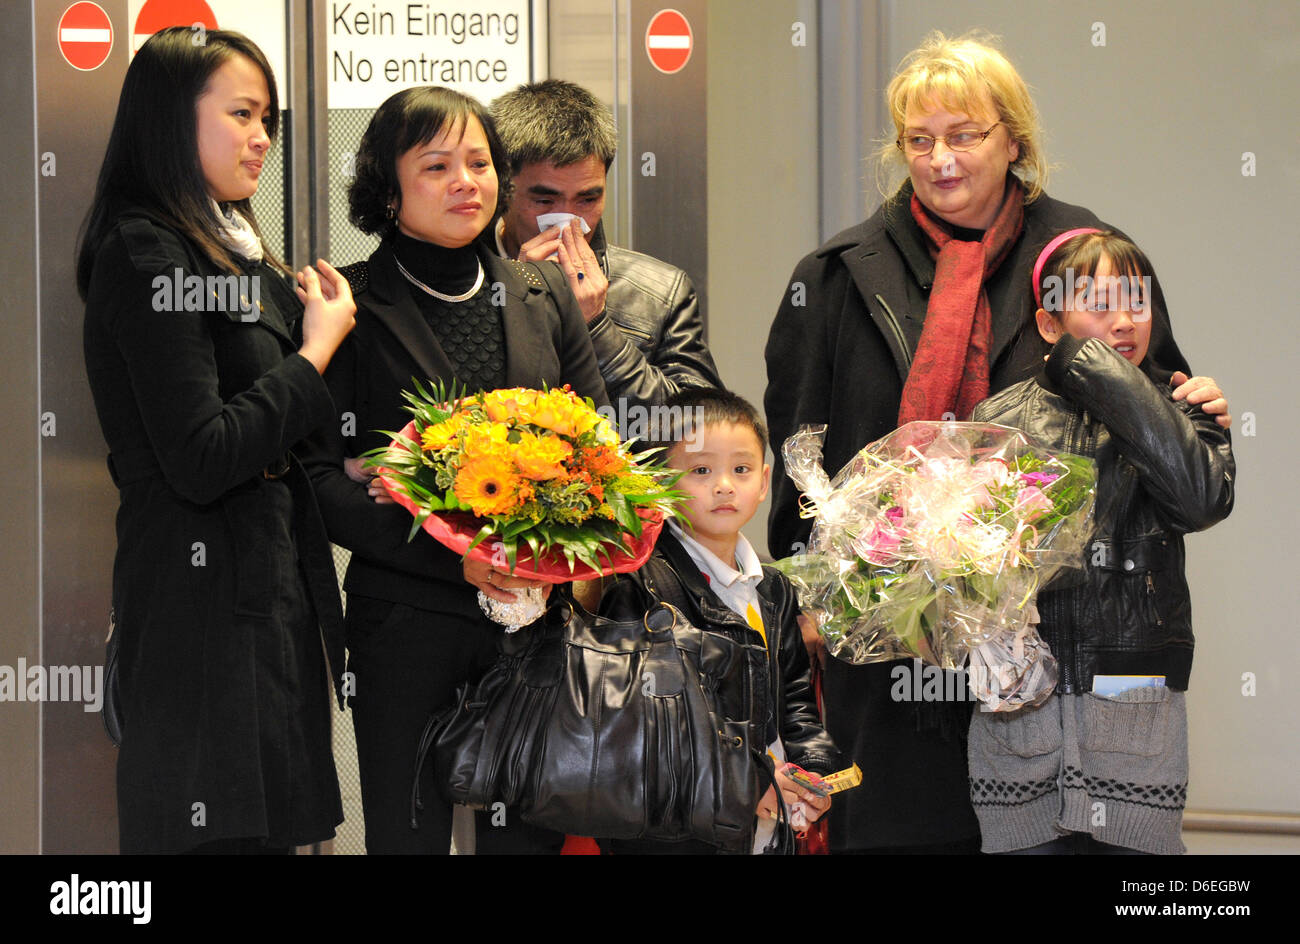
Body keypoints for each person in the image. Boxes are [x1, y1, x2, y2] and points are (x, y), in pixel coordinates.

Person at [764, 30, 1231, 854]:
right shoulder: (835, 274)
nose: (940, 159)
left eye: (964, 135)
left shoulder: (1086, 256)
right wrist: (808, 593)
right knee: (900, 828)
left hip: (1053, 634)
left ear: (1014, 139)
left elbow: (1157, 407)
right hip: (888, 623)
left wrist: (1197, 403)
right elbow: (797, 439)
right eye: (919, 139)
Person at [300, 86, 608, 854]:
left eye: (479, 162)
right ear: (386, 186)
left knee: (529, 839)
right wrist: (457, 556)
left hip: (534, 625)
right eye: (436, 165)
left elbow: (599, 455)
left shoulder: (542, 295)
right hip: (404, 623)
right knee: (406, 840)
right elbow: (315, 480)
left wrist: (549, 554)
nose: (466, 182)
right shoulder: (350, 305)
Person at [78, 27, 356, 854]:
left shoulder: (240, 251)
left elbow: (283, 427)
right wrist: (317, 347)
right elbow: (202, 455)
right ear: (171, 119)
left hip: (271, 591)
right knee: (212, 829)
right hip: (196, 601)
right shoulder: (145, 249)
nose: (262, 136)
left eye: (267, 117)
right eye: (242, 113)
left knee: (276, 828)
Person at [967, 230, 1234, 854]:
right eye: (1099, 302)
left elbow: (1201, 501)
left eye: (1137, 302)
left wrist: (1107, 376)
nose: (1124, 321)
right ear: (1048, 323)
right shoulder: (998, 419)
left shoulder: (1186, 409)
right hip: (1022, 714)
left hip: (1135, 703)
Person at [597, 388, 841, 854]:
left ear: (765, 481)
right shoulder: (641, 585)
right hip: (674, 836)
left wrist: (816, 770)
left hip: (768, 832)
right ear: (661, 481)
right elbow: (645, 726)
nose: (725, 485)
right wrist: (748, 786)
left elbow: (795, 702)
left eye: (742, 469)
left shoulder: (774, 589)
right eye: (701, 470)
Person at [490, 79, 723, 415]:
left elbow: (699, 430)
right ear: (503, 187)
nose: (567, 221)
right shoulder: (462, 279)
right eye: (544, 200)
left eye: (588, 198)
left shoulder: (661, 292)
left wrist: (596, 326)